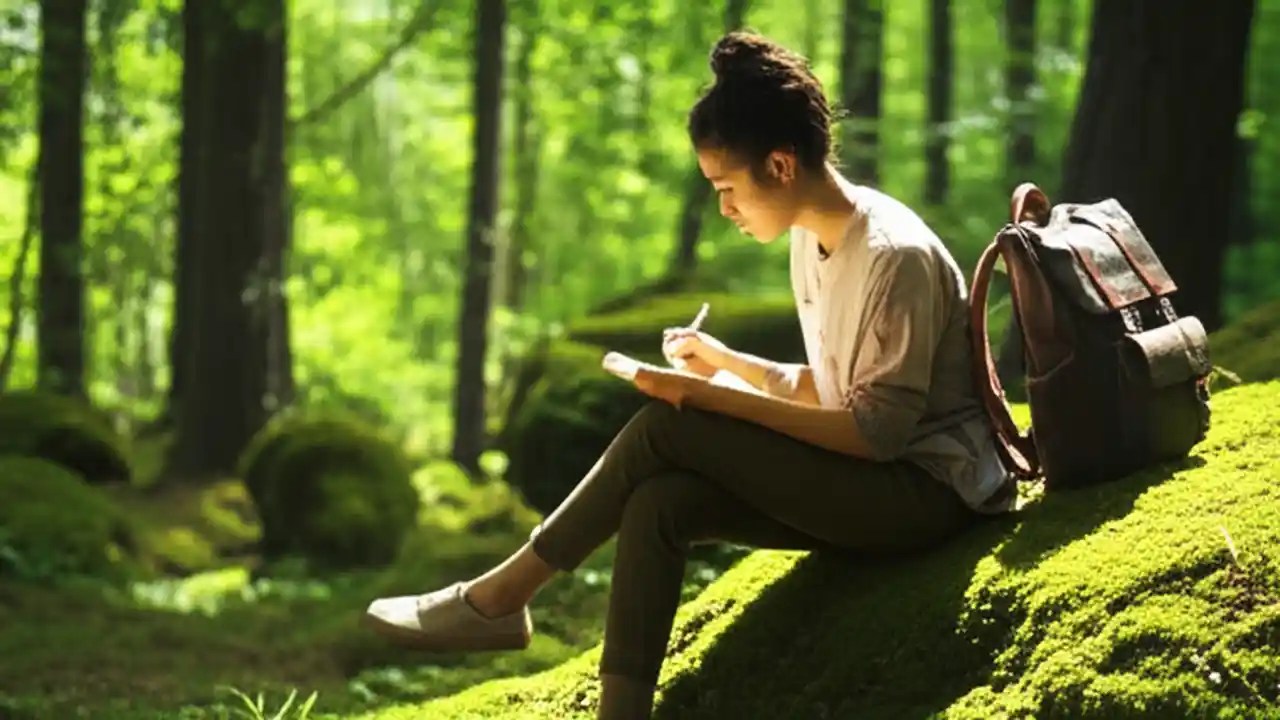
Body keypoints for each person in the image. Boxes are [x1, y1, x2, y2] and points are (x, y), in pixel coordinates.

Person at [364, 30, 1015, 720]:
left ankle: (500, 597)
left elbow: (877, 434)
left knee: (667, 429)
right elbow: (836, 390)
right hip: (873, 483)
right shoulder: (812, 236)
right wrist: (727, 364)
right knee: (661, 505)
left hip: (928, 495)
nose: (725, 208)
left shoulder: (894, 256)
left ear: (782, 165)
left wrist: (710, 400)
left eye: (727, 188)